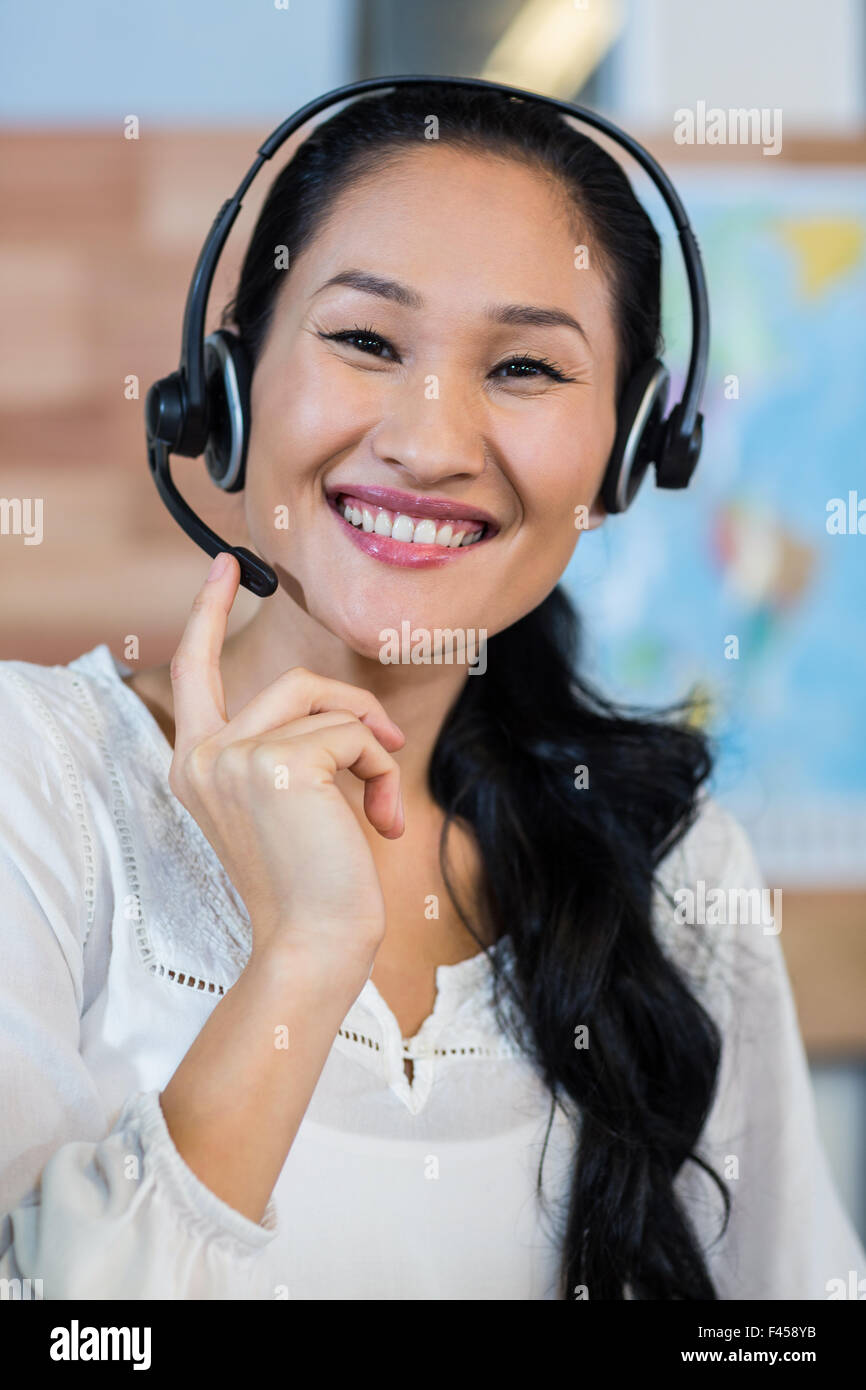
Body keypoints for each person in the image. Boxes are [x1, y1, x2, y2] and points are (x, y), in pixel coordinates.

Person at [0, 83, 862, 1301]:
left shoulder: (672, 868)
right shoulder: (32, 784)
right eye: (364, 341)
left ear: (625, 457)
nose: (429, 440)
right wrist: (306, 951)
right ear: (227, 390)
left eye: (522, 366)